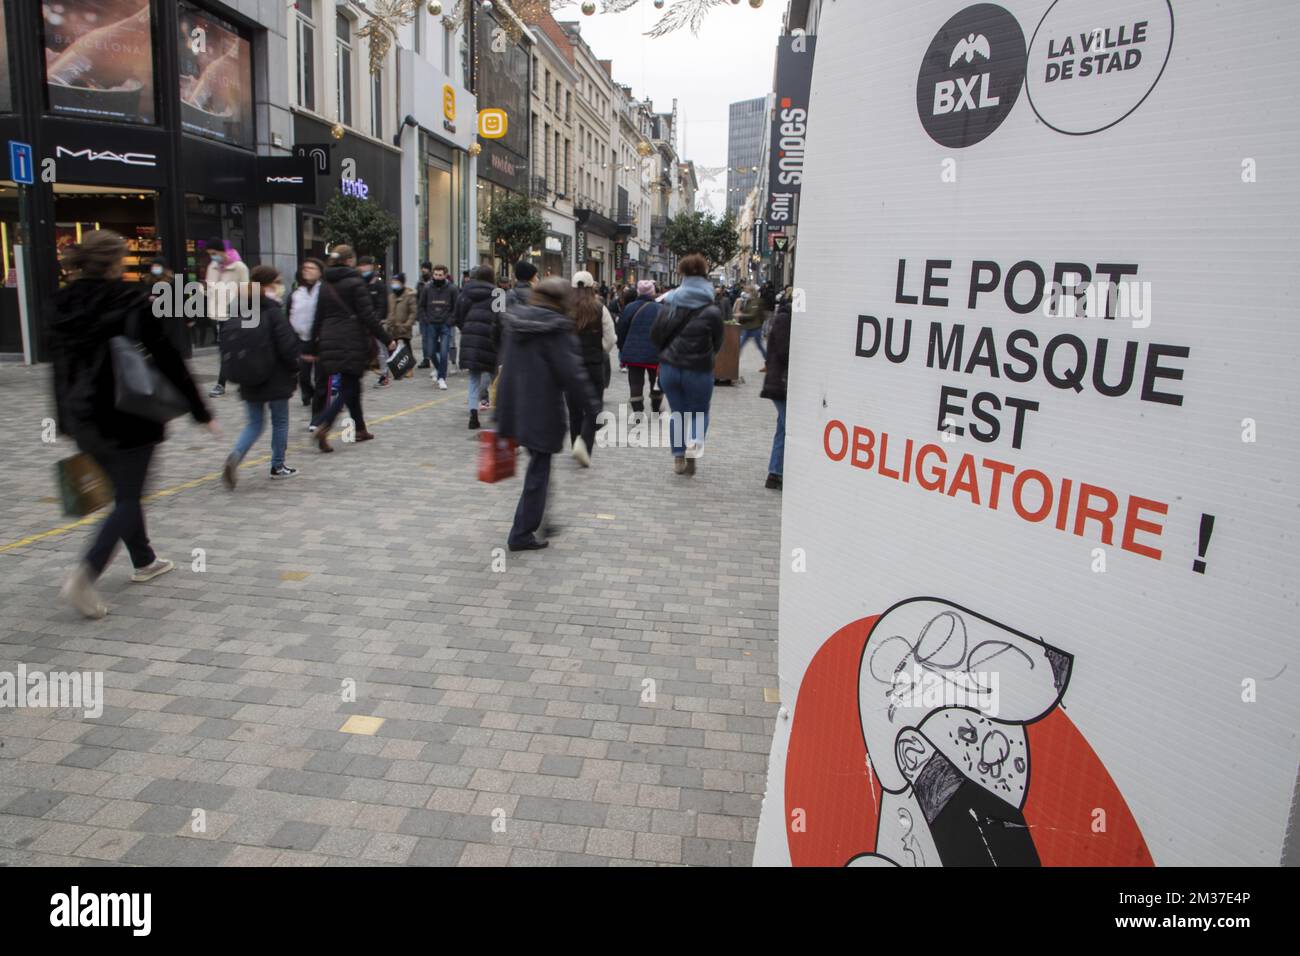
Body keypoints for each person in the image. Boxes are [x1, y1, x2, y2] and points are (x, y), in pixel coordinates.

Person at [49, 230, 216, 619]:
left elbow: (57, 368)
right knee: (126, 497)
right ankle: (84, 574)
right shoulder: (130, 300)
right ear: (116, 262)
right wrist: (200, 411)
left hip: (82, 414)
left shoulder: (61, 303)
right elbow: (168, 357)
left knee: (123, 492)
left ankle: (144, 560)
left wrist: (63, 418)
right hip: (129, 413)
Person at [495, 278, 600, 552]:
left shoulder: (517, 322)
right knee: (539, 469)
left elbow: (505, 364)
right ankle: (521, 532)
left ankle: (542, 518)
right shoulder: (558, 329)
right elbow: (572, 373)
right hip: (540, 407)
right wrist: (592, 405)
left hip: (514, 403)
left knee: (539, 466)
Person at [305, 245, 397, 452]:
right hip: (351, 340)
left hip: (328, 340)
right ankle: (325, 423)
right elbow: (368, 316)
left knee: (352, 386)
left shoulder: (324, 284)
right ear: (349, 261)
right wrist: (387, 339)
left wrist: (311, 345)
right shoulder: (355, 283)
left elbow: (317, 317)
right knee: (349, 387)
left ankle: (360, 429)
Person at [221, 265, 301, 488]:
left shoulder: (243, 308)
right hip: (275, 376)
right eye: (277, 282)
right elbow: (287, 347)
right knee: (280, 421)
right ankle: (278, 466)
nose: (280, 286)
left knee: (254, 423)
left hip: (249, 375)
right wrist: (296, 367)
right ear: (267, 286)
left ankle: (236, 455)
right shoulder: (274, 311)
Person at [652, 253, 724, 477]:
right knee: (699, 413)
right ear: (705, 277)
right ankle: (694, 443)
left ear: (681, 275)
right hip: (699, 370)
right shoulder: (712, 310)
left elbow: (656, 336)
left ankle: (678, 457)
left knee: (677, 413)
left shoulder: (669, 303)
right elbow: (718, 343)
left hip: (670, 369)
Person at [568, 271, 614, 465]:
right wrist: (599, 349)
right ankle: (585, 445)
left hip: (570, 365)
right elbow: (610, 338)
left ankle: (574, 444)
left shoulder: (565, 308)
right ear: (591, 287)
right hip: (594, 364)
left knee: (574, 409)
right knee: (594, 407)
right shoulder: (600, 308)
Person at [454, 264, 501, 430]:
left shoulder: (466, 291)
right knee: (495, 375)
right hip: (491, 338)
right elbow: (501, 317)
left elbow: (458, 315)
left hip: (471, 337)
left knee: (474, 378)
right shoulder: (498, 293)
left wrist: (466, 329)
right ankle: (500, 412)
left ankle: (473, 414)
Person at [205, 237, 249, 397]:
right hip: (217, 313)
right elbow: (210, 288)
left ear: (222, 251)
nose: (212, 257)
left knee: (235, 348)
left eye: (214, 253)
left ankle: (229, 382)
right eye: (210, 254)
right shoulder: (213, 266)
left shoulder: (239, 267)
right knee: (223, 349)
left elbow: (245, 290)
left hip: (234, 313)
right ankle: (222, 384)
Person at [617, 279, 663, 419]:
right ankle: (656, 408)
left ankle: (638, 412)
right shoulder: (660, 309)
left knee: (635, 382)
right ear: (653, 292)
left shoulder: (630, 308)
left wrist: (622, 347)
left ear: (638, 291)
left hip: (633, 352)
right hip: (655, 353)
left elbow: (621, 330)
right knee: (655, 381)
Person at [761, 288, 792, 491]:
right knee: (789, 426)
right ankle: (776, 471)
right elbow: (784, 351)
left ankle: (776, 472)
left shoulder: (786, 319)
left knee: (783, 425)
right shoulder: (785, 319)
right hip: (781, 382)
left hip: (782, 382)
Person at [290, 258, 325, 420]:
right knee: (303, 375)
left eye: (312, 268)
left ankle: (317, 416)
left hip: (322, 342)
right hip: (302, 340)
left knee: (320, 380)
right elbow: (289, 317)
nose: (307, 270)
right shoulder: (297, 293)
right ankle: (307, 393)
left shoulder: (324, 291)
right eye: (305, 268)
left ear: (320, 271)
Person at [418, 263, 458, 388]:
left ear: (445, 275)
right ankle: (439, 367)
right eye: (435, 274)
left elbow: (456, 307)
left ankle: (441, 378)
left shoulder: (452, 289)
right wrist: (426, 319)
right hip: (431, 324)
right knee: (430, 351)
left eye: (440, 275)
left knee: (444, 351)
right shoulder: (427, 288)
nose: (437, 277)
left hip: (445, 325)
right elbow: (421, 306)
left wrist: (450, 321)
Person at [385, 272, 417, 379]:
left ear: (402, 283)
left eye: (397, 282)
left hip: (404, 326)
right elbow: (390, 311)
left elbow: (413, 312)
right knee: (393, 348)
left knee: (406, 347)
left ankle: (409, 368)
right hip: (393, 327)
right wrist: (388, 323)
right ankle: (397, 368)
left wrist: (407, 324)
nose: (394, 284)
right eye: (393, 282)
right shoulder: (391, 296)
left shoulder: (409, 295)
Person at [737, 283, 768, 363]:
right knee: (740, 345)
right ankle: (734, 362)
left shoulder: (756, 302)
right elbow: (745, 311)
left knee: (759, 345)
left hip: (755, 327)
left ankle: (768, 361)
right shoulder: (748, 301)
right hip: (747, 327)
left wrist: (741, 315)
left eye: (747, 292)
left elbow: (752, 315)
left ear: (751, 292)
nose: (745, 293)